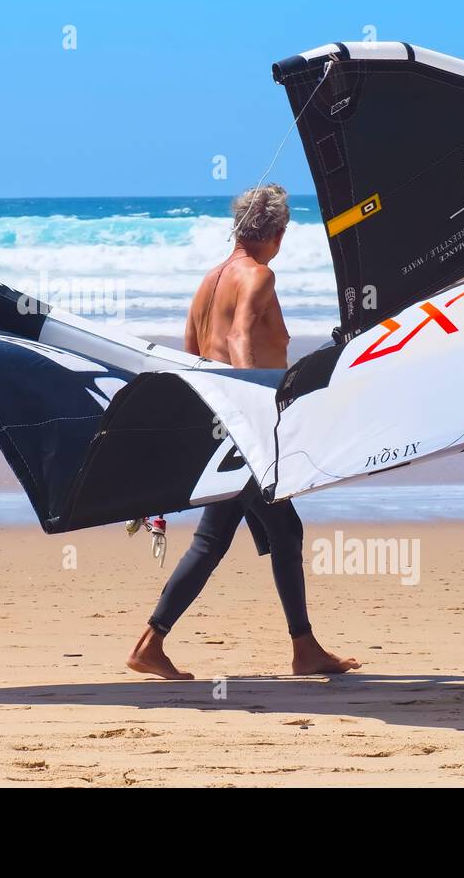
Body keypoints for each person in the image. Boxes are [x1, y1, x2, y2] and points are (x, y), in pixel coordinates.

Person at [127, 183, 361, 679]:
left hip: (219, 424)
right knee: (226, 538)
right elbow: (238, 340)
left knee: (269, 531)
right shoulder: (258, 276)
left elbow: (191, 355)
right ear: (276, 232)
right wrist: (257, 411)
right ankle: (154, 642)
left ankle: (303, 647)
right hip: (244, 426)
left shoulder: (209, 281)